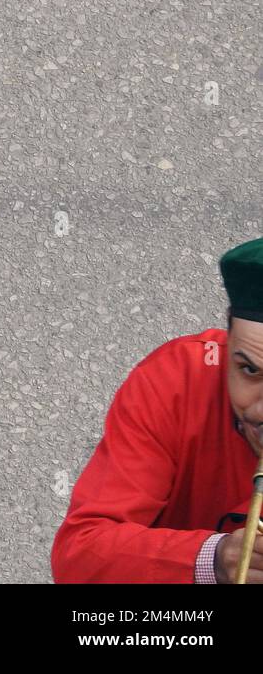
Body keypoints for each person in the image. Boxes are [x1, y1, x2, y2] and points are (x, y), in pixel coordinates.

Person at [51, 237, 263, 583]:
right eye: (249, 370)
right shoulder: (176, 380)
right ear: (228, 334)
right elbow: (80, 554)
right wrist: (211, 558)